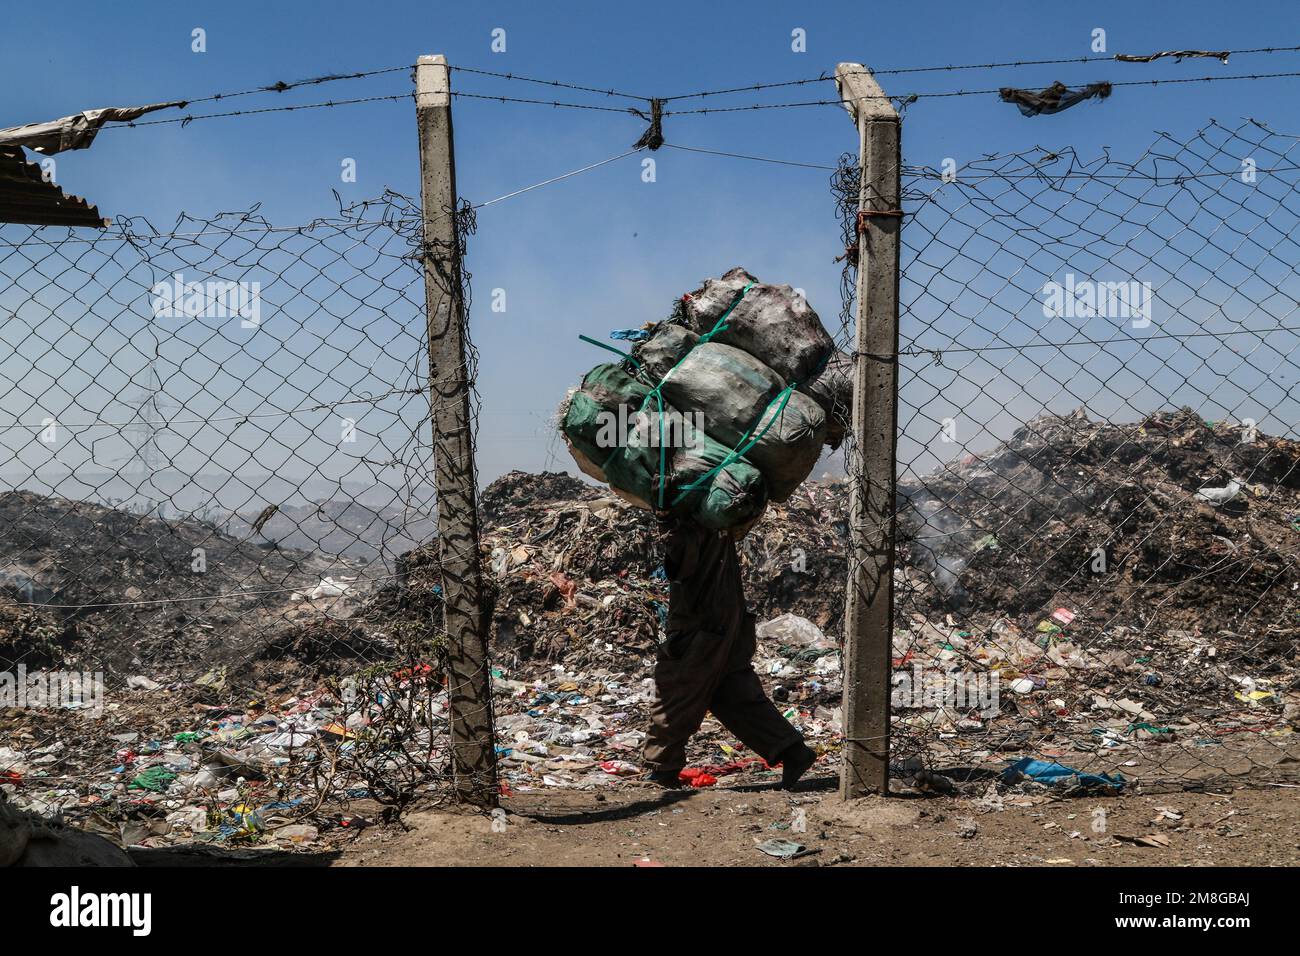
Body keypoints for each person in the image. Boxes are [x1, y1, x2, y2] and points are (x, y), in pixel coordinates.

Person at [643, 515, 817, 789]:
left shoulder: (689, 518)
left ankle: (662, 769)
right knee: (731, 692)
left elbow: (683, 565)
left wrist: (671, 529)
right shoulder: (715, 516)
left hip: (701, 624)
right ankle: (792, 751)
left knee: (675, 687)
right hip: (729, 617)